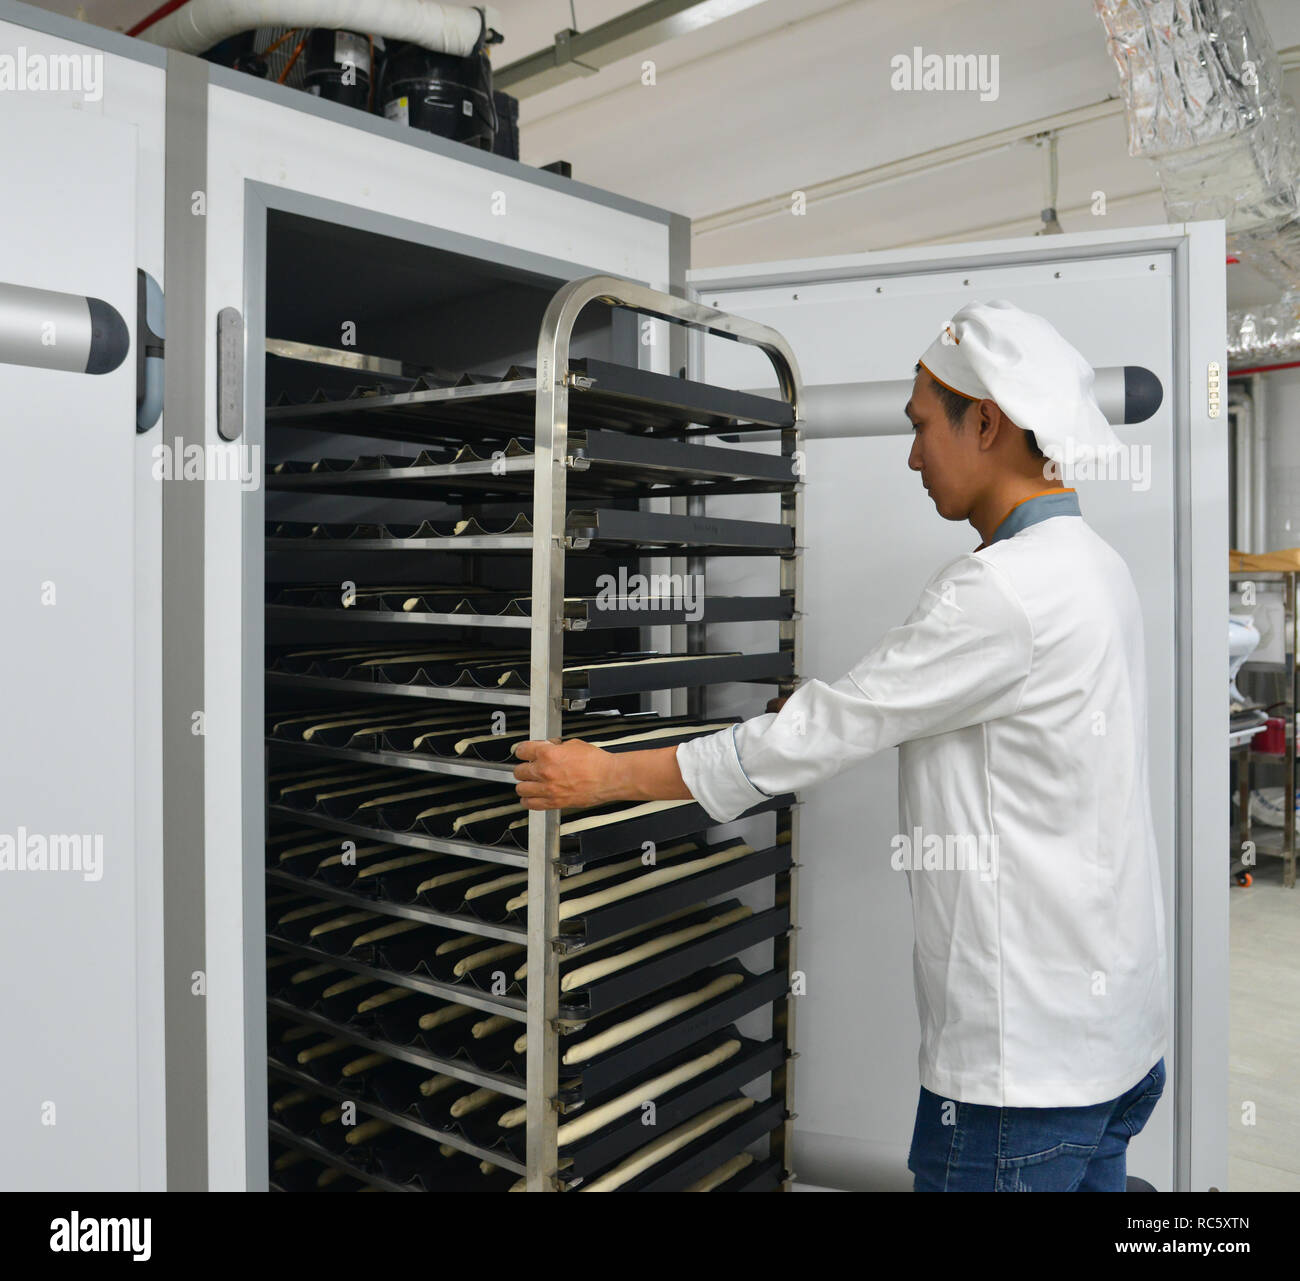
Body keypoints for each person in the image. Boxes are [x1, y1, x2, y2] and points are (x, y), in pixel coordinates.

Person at [512, 299, 1168, 1192]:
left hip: (1026, 1076)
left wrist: (602, 775)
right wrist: (827, 710)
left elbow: (813, 740)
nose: (909, 455)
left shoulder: (998, 592)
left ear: (985, 421)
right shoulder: (1093, 566)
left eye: (920, 427)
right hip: (1114, 1043)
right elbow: (959, 713)